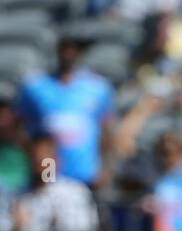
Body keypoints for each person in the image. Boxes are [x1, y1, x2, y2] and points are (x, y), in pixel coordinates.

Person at [18, 36, 116, 190]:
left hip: (84, 173)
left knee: (82, 211)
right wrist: (36, 163)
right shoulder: (36, 86)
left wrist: (104, 168)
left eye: (74, 49)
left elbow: (105, 130)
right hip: (48, 172)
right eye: (65, 48)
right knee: (47, 206)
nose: (69, 54)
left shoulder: (98, 87)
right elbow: (22, 128)